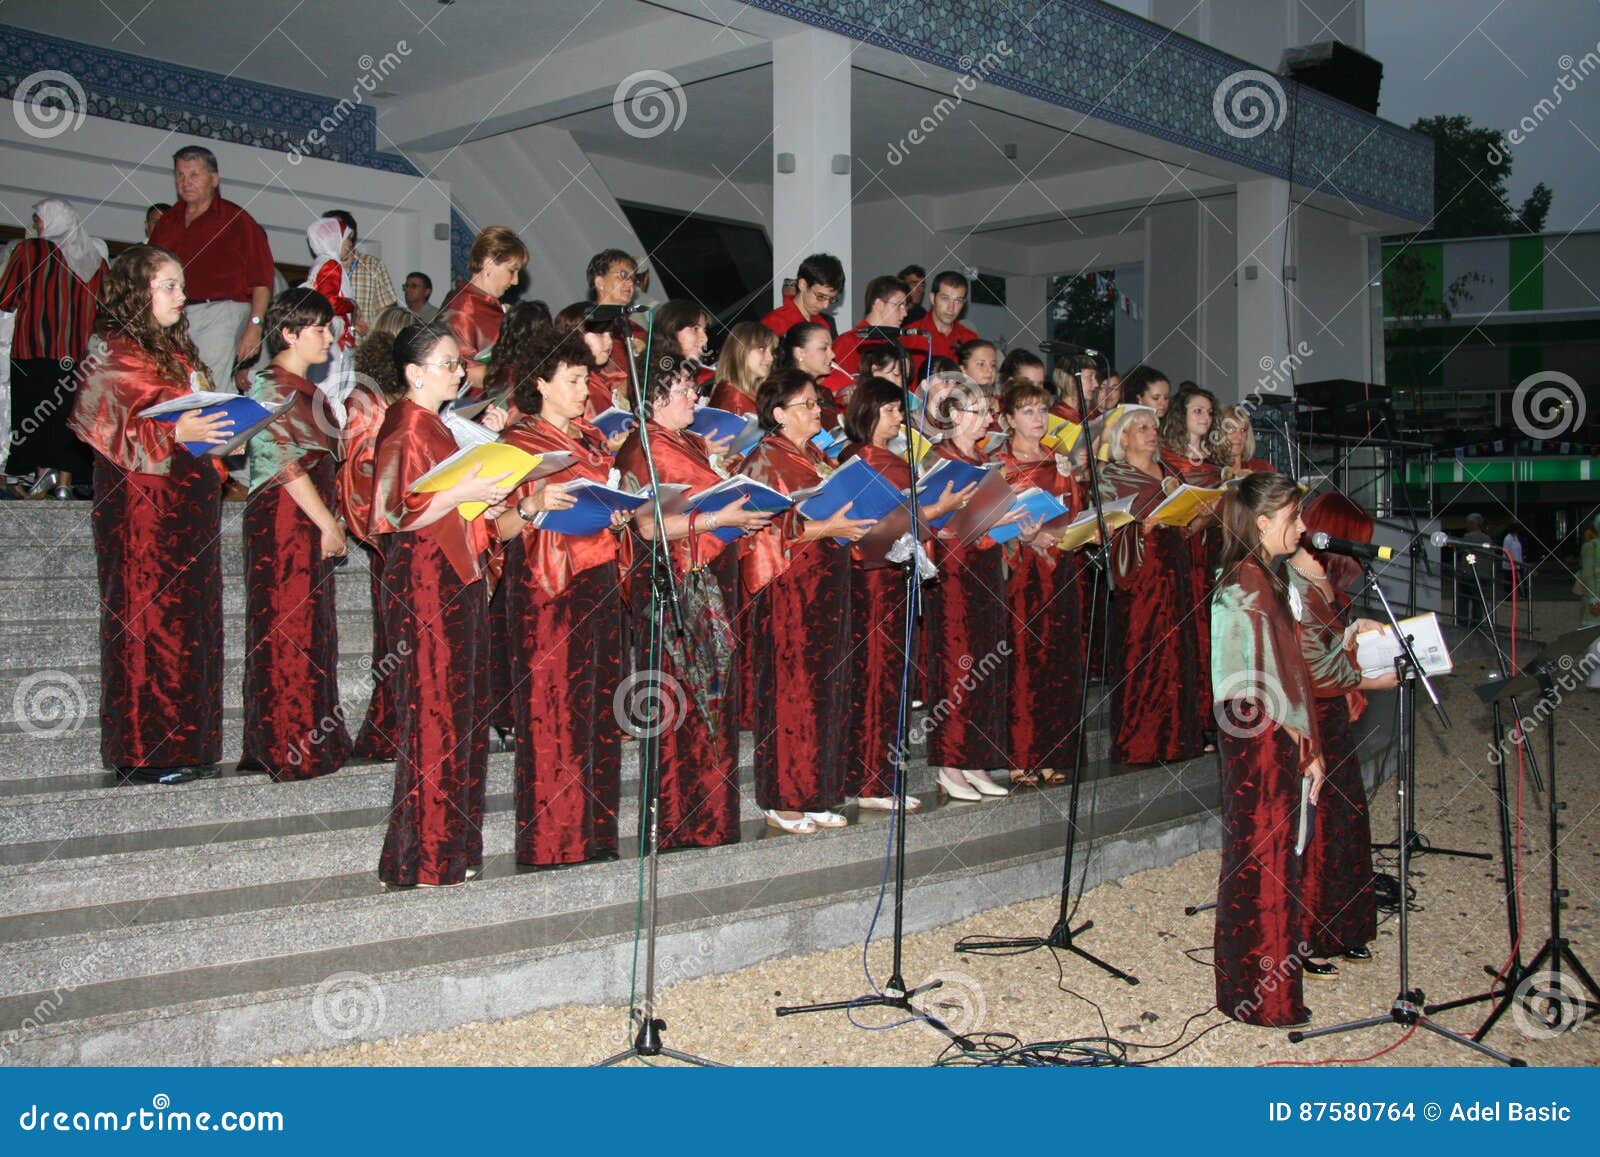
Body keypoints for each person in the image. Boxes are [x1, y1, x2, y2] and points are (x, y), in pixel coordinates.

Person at [67, 245, 232, 784]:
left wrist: (224, 432)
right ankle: (143, 750)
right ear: (139, 292)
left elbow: (198, 421)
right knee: (146, 621)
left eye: (181, 287)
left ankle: (190, 744)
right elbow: (99, 420)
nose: (182, 298)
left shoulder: (178, 354)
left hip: (190, 507)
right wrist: (173, 431)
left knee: (192, 624)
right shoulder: (113, 354)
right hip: (141, 512)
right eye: (170, 286)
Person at [370, 323, 510, 887]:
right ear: (414, 372)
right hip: (425, 581)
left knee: (457, 713)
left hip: (453, 578)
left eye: (459, 363)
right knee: (433, 715)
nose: (460, 371)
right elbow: (394, 513)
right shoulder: (404, 425)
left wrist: (485, 497)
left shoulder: (438, 426)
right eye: (449, 363)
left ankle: (446, 850)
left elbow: (446, 503)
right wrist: (464, 494)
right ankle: (422, 857)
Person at [614, 355, 773, 846]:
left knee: (714, 710)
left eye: (693, 388)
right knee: (682, 711)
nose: (696, 399)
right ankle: (681, 823)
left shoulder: (688, 443)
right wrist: (719, 520)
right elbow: (647, 527)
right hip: (677, 593)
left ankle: (712, 821)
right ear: (655, 399)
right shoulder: (644, 448)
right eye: (684, 390)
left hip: (709, 582)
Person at [494, 327, 628, 868]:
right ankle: (554, 840)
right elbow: (493, 528)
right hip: (547, 590)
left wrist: (620, 513)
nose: (583, 390)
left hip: (598, 581)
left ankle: (595, 834)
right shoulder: (518, 444)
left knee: (598, 708)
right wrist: (531, 504)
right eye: (573, 380)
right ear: (541, 384)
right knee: (553, 711)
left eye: (585, 379)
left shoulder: (592, 439)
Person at [736, 368, 877, 833]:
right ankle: (783, 797)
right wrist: (827, 527)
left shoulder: (818, 455)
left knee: (826, 689)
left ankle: (817, 791)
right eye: (806, 404)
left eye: (818, 403)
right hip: (787, 591)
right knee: (790, 691)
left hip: (827, 586)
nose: (818, 410)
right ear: (778, 414)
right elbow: (760, 527)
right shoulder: (764, 459)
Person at [1210, 472, 1324, 1027]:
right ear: (1261, 522)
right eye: (1292, 518)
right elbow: (1246, 686)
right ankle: (1263, 995)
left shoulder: (1263, 580)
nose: (1301, 528)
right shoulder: (1243, 587)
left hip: (1271, 736)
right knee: (1267, 862)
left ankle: (1256, 986)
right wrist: (1297, 741)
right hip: (1261, 744)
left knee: (1273, 860)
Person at [838, 375, 973, 811]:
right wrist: (935, 509)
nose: (901, 417)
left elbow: (904, 517)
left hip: (896, 573)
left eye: (900, 409)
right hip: (874, 578)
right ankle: (870, 782)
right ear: (869, 412)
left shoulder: (890, 456)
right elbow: (879, 527)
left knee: (893, 675)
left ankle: (883, 777)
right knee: (875, 674)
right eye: (893, 410)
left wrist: (934, 515)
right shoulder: (863, 458)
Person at [238, 288, 350, 781]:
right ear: (288, 333)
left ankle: (306, 737)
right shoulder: (268, 385)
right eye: (320, 329)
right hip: (284, 523)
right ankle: (287, 744)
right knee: (287, 627)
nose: (329, 337)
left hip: (306, 519)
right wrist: (327, 522)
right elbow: (281, 462)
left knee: (310, 628)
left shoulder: (312, 392)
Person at [1289, 491, 1395, 973]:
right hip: (1309, 716)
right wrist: (1370, 676)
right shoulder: (1294, 581)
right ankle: (1308, 931)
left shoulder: (1323, 580)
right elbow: (1310, 669)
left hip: (1332, 716)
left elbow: (1330, 645)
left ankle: (1343, 925)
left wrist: (1355, 634)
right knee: (1317, 825)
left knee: (1346, 820)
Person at [922, 377, 1018, 801]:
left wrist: (1015, 518)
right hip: (953, 571)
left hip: (983, 564)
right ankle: (950, 760)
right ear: (956, 415)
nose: (989, 420)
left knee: (985, 660)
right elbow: (929, 520)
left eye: (989, 411)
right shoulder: (938, 459)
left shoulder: (982, 459)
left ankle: (975, 757)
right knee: (959, 663)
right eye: (980, 411)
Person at [1097, 405, 1207, 765]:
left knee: (1178, 654)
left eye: (1153, 426)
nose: (1150, 432)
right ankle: (1142, 743)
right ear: (1123, 437)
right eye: (1141, 427)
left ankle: (1179, 738)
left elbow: (1187, 525)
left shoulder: (1171, 473)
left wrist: (1200, 513)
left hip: (1176, 574)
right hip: (1140, 578)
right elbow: (1103, 530)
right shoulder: (1113, 477)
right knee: (1142, 654)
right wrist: (1141, 528)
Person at [995, 378, 1084, 786]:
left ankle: (1051, 751)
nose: (1038, 418)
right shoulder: (997, 462)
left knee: (1058, 659)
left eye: (1042, 410)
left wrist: (1073, 531)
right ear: (1009, 418)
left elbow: (1074, 508)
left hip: (1060, 568)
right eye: (1028, 411)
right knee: (1023, 662)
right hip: (1020, 574)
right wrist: (1024, 536)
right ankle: (1020, 754)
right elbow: (983, 522)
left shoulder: (1058, 458)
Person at [340, 307, 414, 761]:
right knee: (394, 634)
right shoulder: (365, 401)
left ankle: (407, 723)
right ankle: (388, 727)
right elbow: (358, 466)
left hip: (416, 522)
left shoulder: (405, 398)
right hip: (388, 525)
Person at [147, 145, 274, 395]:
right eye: (180, 175)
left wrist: (255, 326)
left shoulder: (236, 220)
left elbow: (262, 281)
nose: (186, 182)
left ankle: (218, 433)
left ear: (214, 179)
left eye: (194, 174)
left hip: (221, 311)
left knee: (209, 385)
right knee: (173, 384)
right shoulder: (167, 222)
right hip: (173, 314)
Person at [1, 197, 107, 497]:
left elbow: (7, 296)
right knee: (68, 417)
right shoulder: (93, 257)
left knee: (34, 415)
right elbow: (106, 308)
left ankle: (40, 477)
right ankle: (64, 482)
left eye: (39, 220)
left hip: (34, 349)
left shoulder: (29, 250)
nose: (36, 226)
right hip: (77, 354)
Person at [438, 225, 528, 395]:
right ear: (489, 264)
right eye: (512, 270)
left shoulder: (484, 304)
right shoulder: (463, 308)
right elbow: (465, 372)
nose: (515, 281)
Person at [302, 217, 359, 414]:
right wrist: (351, 305)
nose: (350, 244)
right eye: (347, 239)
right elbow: (329, 302)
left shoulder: (323, 262)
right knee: (333, 388)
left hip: (331, 333)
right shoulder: (331, 264)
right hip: (334, 336)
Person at [831, 274, 911, 394]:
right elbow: (836, 393)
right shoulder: (848, 343)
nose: (905, 313)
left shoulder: (896, 344)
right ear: (878, 304)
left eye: (905, 306)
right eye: (899, 305)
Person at [322, 210, 397, 331]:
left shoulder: (373, 266)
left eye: (334, 231)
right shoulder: (322, 267)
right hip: (329, 344)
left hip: (364, 346)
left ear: (349, 235)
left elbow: (386, 314)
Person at [781, 321, 850, 425]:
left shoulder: (824, 393)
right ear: (800, 352)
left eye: (831, 348)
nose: (832, 355)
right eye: (824, 348)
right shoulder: (785, 393)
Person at [761, 253, 844, 338]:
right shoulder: (774, 323)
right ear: (802, 285)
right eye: (821, 296)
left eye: (831, 299)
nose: (826, 305)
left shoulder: (824, 323)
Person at [904, 270, 979, 363]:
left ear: (963, 304)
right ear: (932, 298)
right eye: (945, 298)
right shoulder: (909, 336)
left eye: (958, 301)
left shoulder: (969, 339)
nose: (951, 308)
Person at [707, 320, 777, 416]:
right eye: (762, 349)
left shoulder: (746, 393)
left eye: (772, 351)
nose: (771, 358)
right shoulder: (732, 396)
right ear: (741, 350)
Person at [649, 299, 712, 386]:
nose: (705, 338)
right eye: (695, 329)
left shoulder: (696, 375)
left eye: (704, 330)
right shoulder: (651, 379)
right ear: (672, 330)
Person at [1453, 512, 1496, 630]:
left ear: (1473, 524)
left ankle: (1462, 624)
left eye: (1467, 523)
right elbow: (1490, 556)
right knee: (1478, 602)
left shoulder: (1468, 537)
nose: (1466, 525)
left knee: (1463, 599)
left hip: (1470, 574)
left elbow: (1464, 553)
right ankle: (1476, 625)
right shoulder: (1487, 538)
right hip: (1483, 574)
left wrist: (1463, 569)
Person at [1214, 403, 1275, 478]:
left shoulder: (1263, 468)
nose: (1239, 436)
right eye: (1231, 429)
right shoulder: (1207, 471)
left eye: (1243, 430)